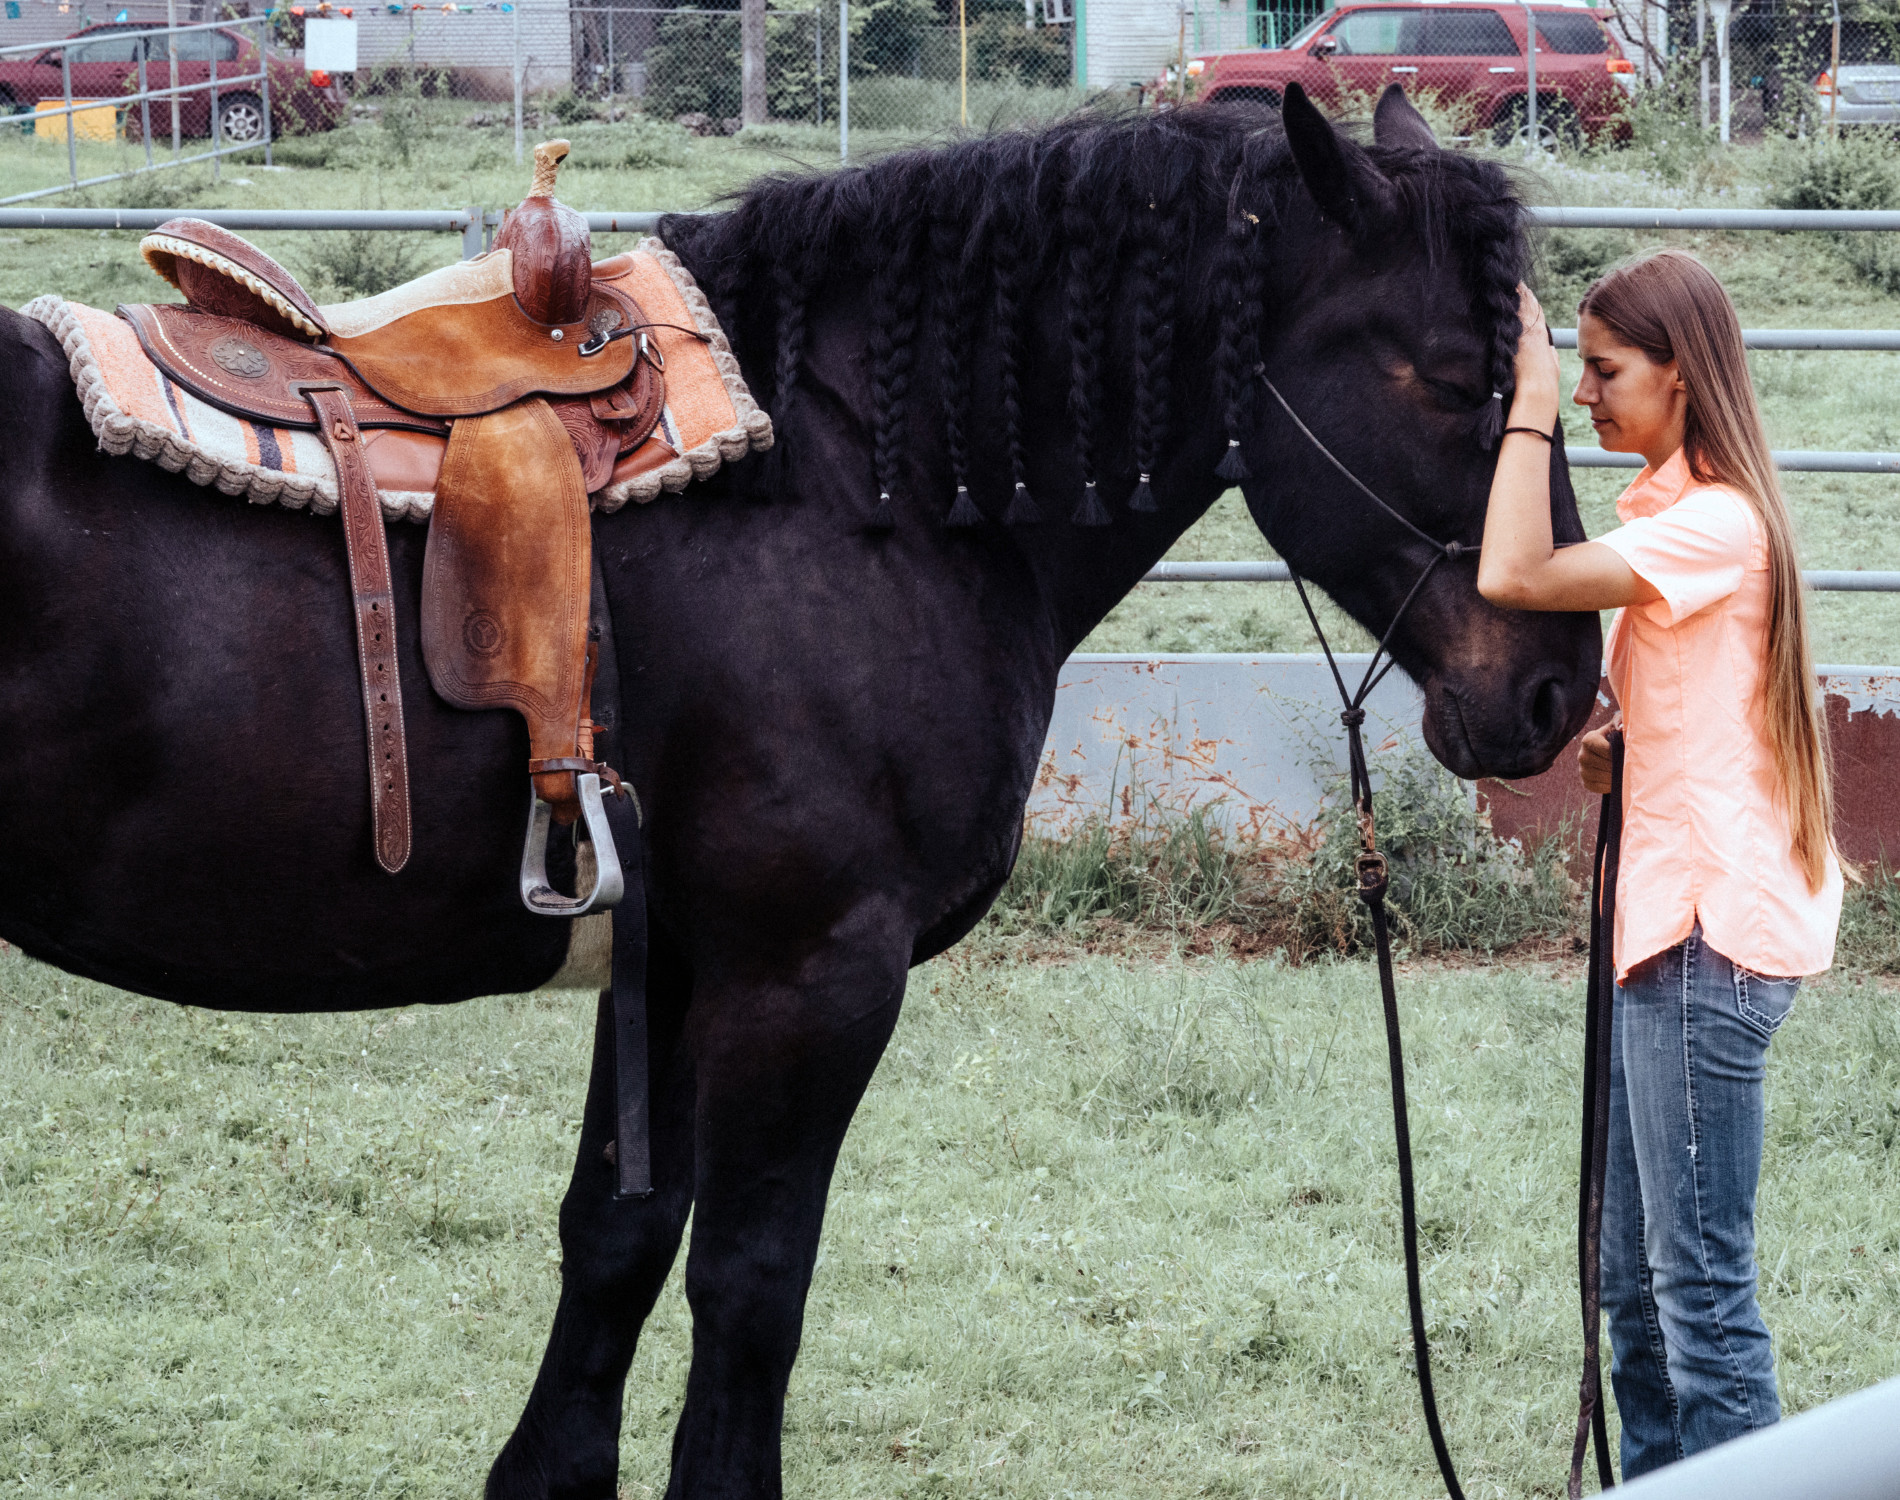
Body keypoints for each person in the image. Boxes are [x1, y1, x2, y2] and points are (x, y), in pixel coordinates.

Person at [1475, 248, 1844, 1477]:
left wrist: (1525, 404)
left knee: (1698, 1299)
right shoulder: (1683, 518)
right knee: (1632, 1297)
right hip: (1666, 932)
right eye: (1575, 372)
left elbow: (1513, 575)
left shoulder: (1715, 524)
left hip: (1702, 942)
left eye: (1604, 370)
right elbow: (1713, 705)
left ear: (1679, 374)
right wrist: (1623, 755)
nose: (1586, 393)